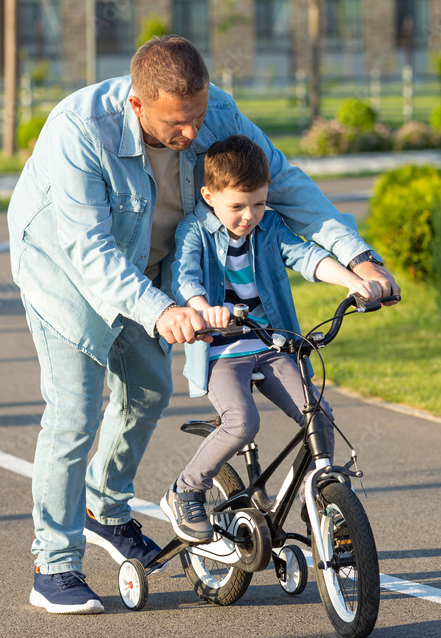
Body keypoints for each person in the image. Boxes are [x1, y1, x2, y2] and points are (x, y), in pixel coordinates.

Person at [7, 35, 399, 615]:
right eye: (176, 124)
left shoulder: (214, 112)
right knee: (75, 411)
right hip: (64, 273)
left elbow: (285, 184)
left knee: (147, 391)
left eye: (197, 116)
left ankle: (105, 512)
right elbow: (90, 251)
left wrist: (357, 257)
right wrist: (164, 311)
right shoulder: (79, 130)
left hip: (155, 267)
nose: (193, 134)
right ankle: (54, 564)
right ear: (138, 105)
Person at [160, 135, 384, 543]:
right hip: (221, 349)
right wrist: (201, 306)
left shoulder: (269, 228)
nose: (250, 216)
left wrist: (354, 281)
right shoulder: (194, 230)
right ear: (209, 196)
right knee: (242, 422)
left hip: (271, 343)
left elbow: (306, 256)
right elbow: (184, 274)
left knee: (318, 413)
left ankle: (319, 496)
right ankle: (187, 489)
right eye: (238, 206)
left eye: (259, 204)